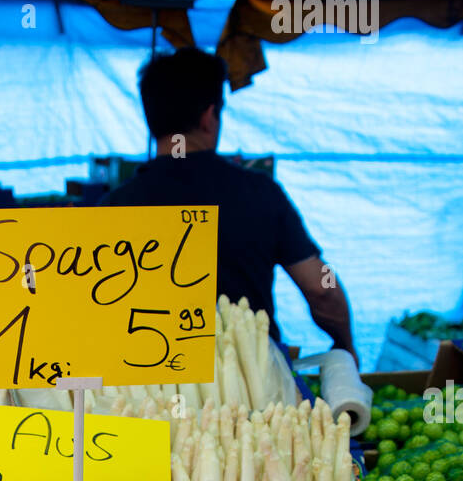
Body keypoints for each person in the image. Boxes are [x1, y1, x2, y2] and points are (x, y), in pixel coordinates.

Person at [103, 48, 358, 361]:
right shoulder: (260, 192)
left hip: (151, 386)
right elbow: (322, 288)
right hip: (255, 388)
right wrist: (346, 348)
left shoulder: (114, 206)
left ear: (150, 117)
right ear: (209, 116)